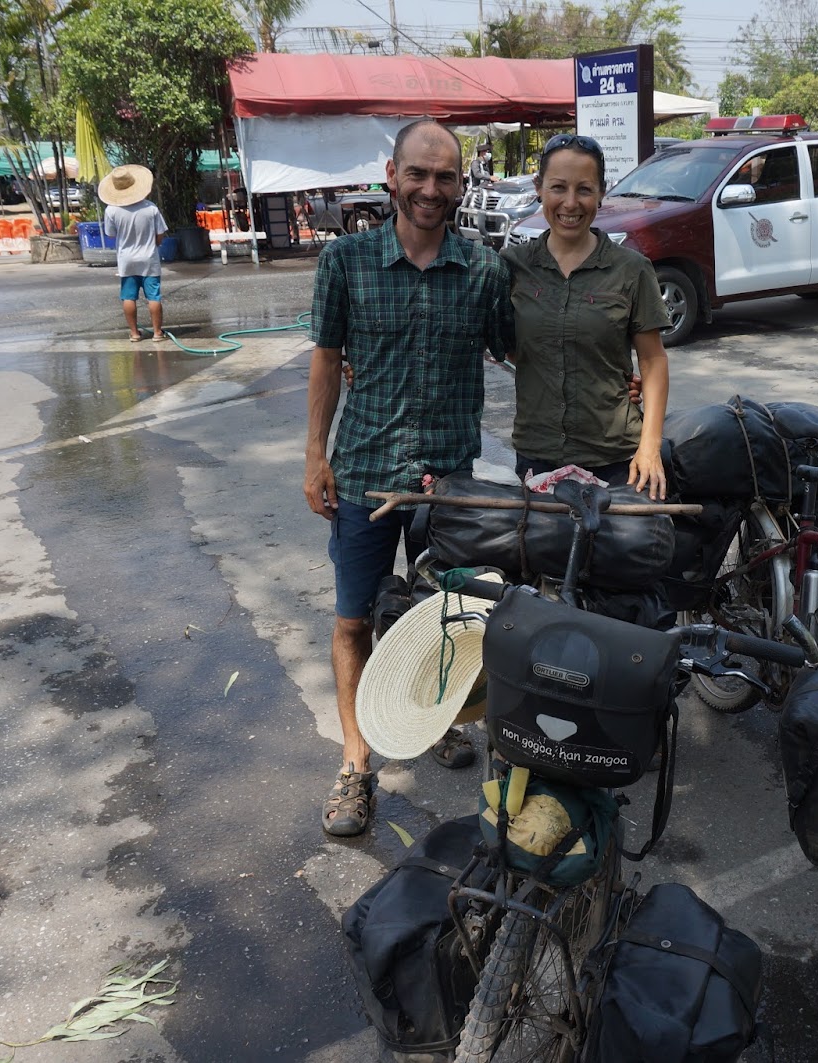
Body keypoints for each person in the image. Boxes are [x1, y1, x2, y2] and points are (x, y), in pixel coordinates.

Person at [303, 119, 510, 838]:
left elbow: (527, 349)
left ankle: (432, 715)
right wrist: (313, 455)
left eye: (444, 176)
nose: (430, 188)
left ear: (460, 185)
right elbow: (327, 359)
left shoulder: (483, 270)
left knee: (445, 616)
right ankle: (357, 765)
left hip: (448, 477)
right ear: (392, 175)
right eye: (417, 174)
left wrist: (624, 377)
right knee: (354, 617)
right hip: (363, 470)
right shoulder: (347, 262)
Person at [501, 133, 671, 498]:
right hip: (538, 454)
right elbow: (506, 345)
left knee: (614, 554)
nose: (570, 203)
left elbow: (653, 360)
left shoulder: (631, 269)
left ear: (602, 192)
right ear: (539, 188)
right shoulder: (512, 267)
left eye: (585, 189)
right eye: (558, 187)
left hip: (616, 456)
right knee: (543, 556)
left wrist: (650, 447)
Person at [98, 165, 169, 342]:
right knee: (154, 296)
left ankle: (135, 333)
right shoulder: (150, 208)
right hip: (149, 258)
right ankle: (157, 333)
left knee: (129, 296)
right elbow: (160, 234)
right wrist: (154, 245)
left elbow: (111, 233)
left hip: (126, 260)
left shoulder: (111, 210)